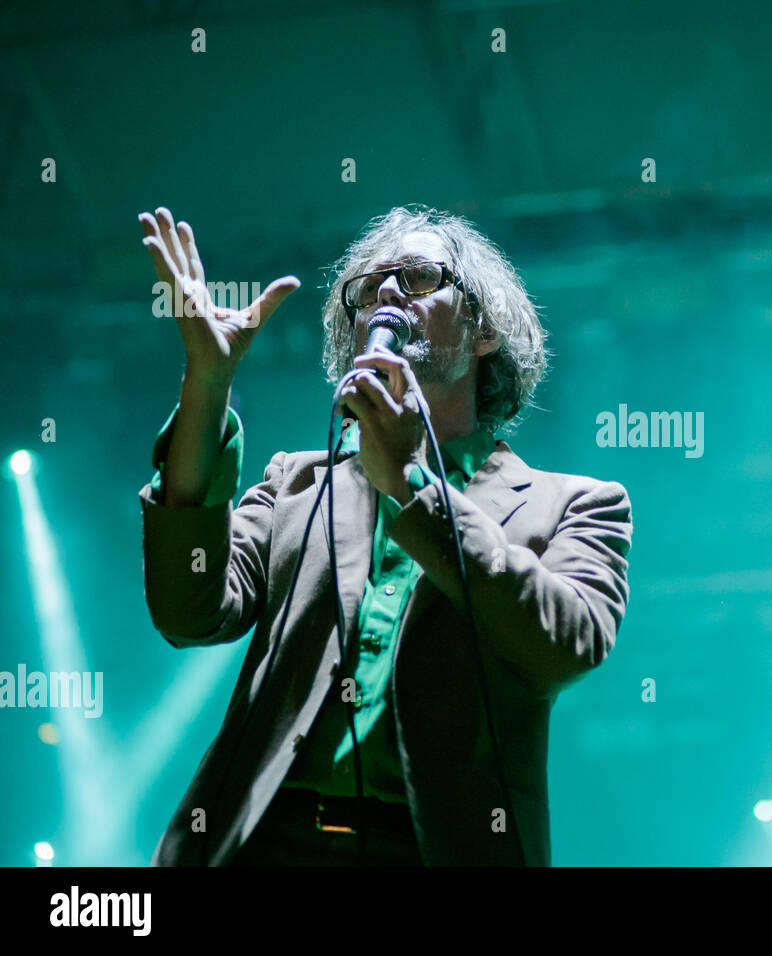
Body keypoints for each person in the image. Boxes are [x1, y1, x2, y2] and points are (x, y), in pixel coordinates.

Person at [137, 204, 632, 866]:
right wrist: (207, 383)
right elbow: (187, 613)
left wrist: (413, 485)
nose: (388, 293)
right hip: (262, 846)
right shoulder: (297, 483)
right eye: (368, 288)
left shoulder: (577, 505)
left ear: (485, 330)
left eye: (420, 276)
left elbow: (563, 648)